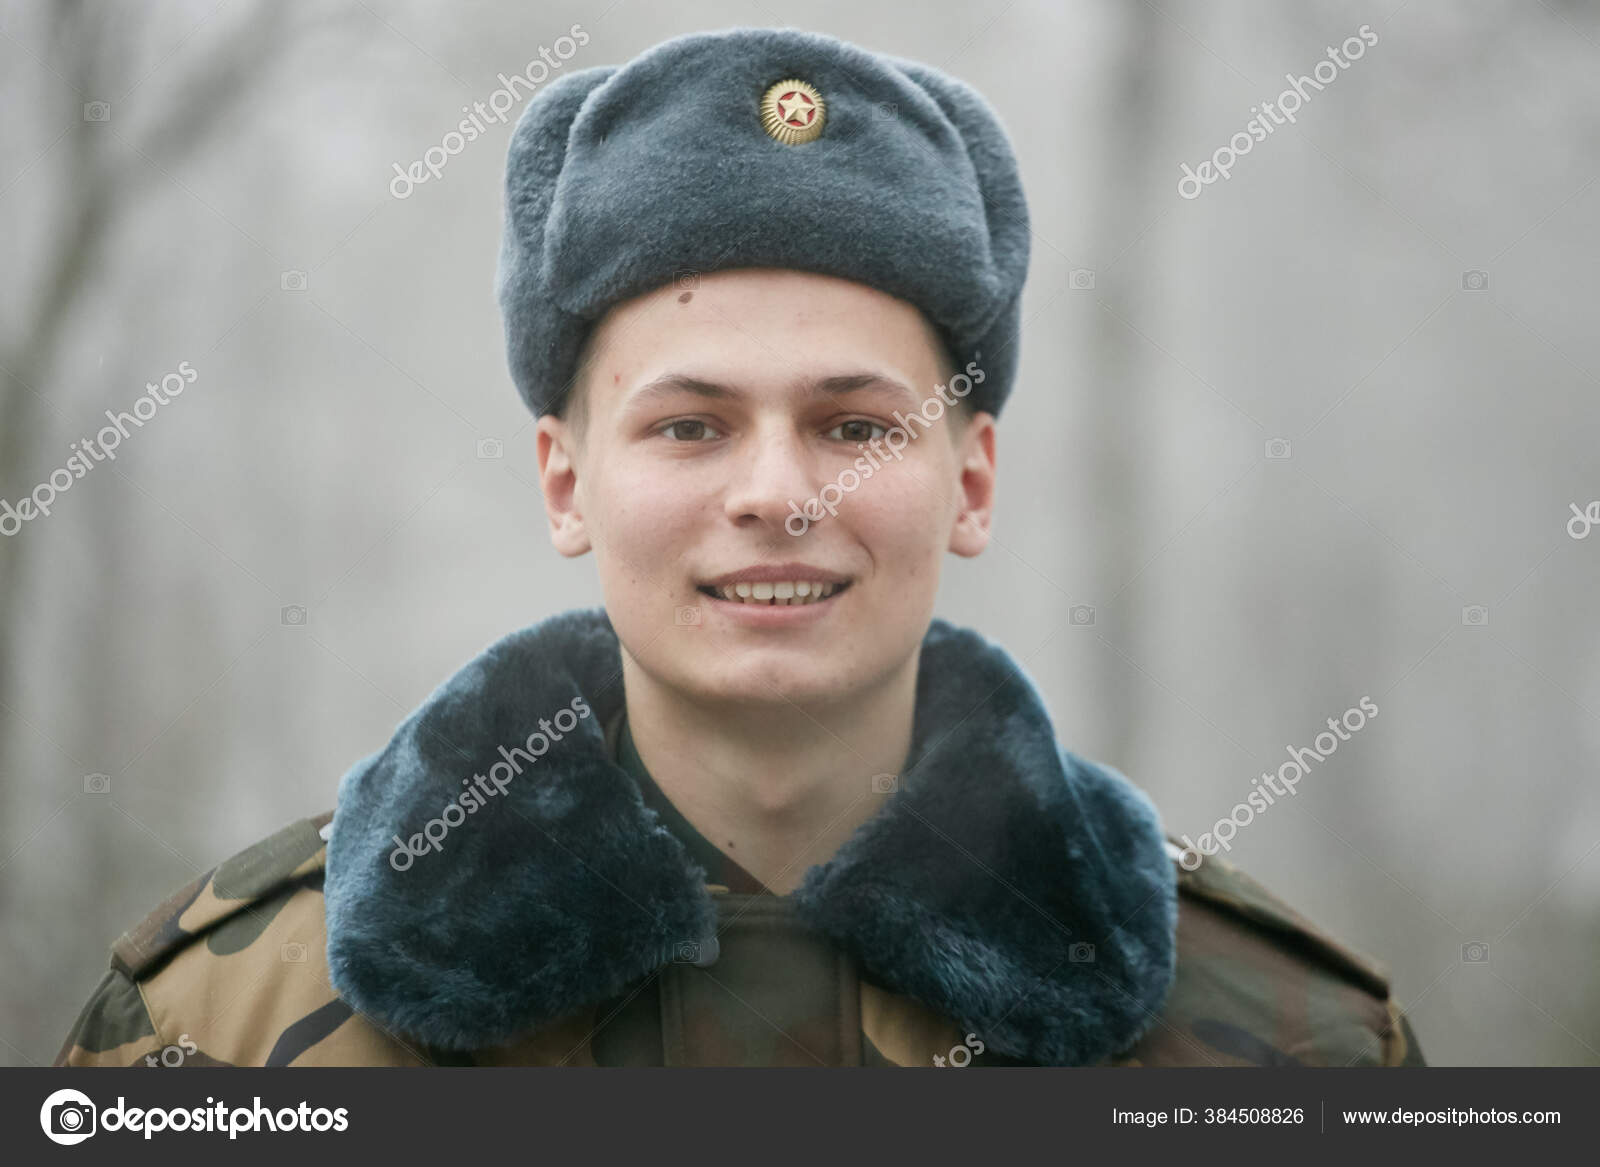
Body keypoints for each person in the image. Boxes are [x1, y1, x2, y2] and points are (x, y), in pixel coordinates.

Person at [56, 27, 1423, 1068]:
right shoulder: (225, 1032)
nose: (780, 494)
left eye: (854, 426)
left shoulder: (1289, 1047)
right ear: (566, 480)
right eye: (692, 427)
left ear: (972, 478)